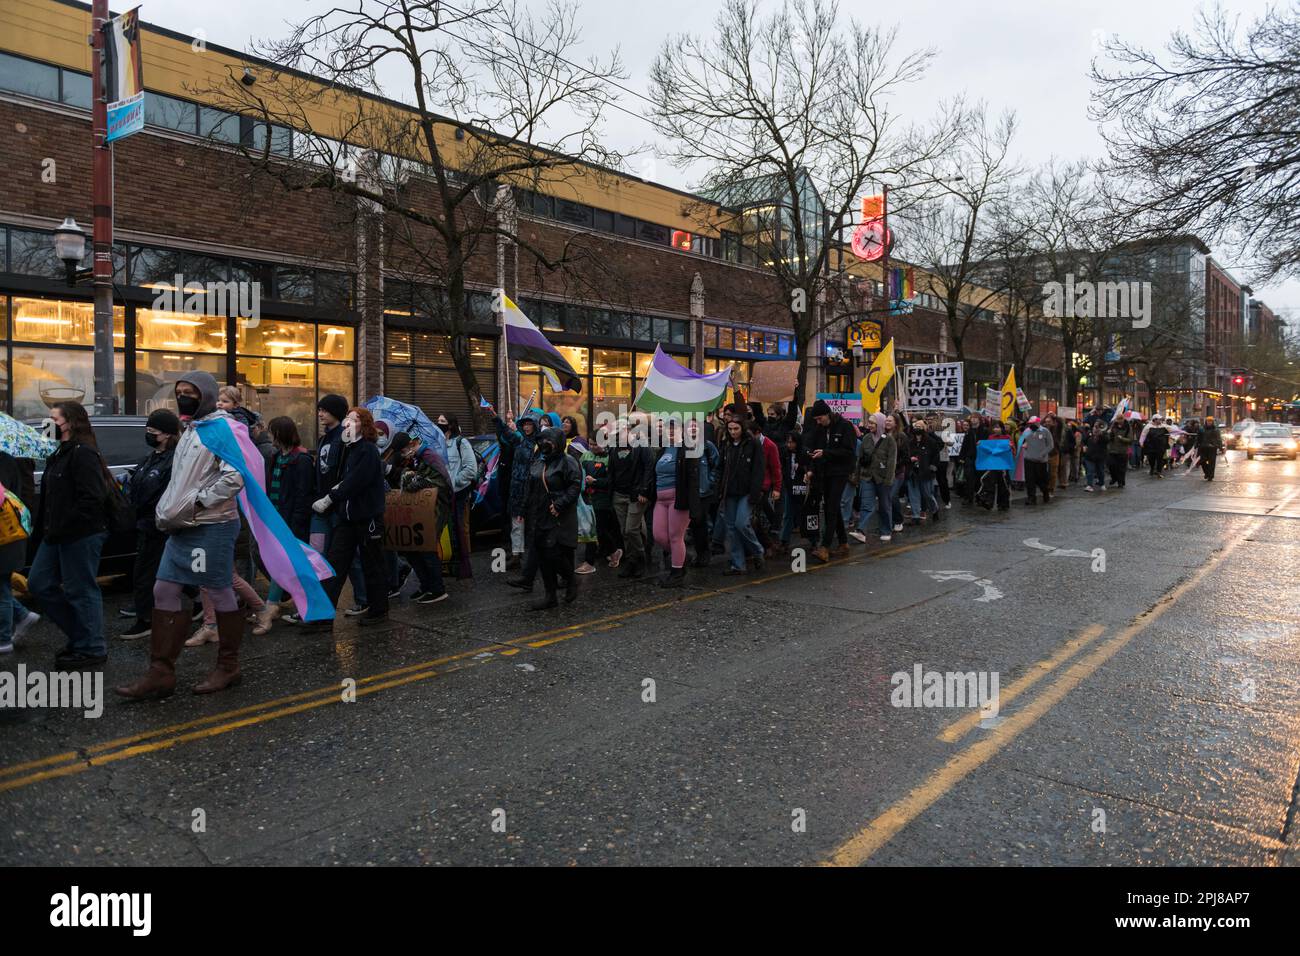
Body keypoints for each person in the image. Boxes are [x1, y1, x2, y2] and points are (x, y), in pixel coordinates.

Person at [116, 373, 246, 698]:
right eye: (180, 392)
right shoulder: (191, 429)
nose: (184, 397)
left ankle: (228, 667)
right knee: (163, 589)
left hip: (212, 525)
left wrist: (197, 502)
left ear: (207, 396)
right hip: (182, 527)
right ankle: (161, 672)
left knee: (217, 590)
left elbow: (235, 476)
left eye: (191, 392)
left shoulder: (222, 429)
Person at [29, 401, 111, 667]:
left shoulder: (82, 453)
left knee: (81, 589)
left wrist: (66, 525)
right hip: (55, 534)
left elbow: (92, 498)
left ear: (71, 423)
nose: (47, 423)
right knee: (39, 584)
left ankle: (91, 647)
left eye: (53, 418)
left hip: (80, 534)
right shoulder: (59, 452)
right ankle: (80, 636)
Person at [315, 407, 390, 626]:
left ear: (364, 426)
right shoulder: (351, 450)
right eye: (347, 418)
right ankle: (323, 617)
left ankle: (378, 611)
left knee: (373, 565)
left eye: (354, 419)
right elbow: (344, 479)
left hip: (368, 519)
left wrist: (330, 498)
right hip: (347, 519)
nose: (348, 422)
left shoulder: (367, 450)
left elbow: (356, 481)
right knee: (335, 564)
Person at [121, 410, 182, 641]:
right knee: (162, 570)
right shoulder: (152, 457)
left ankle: (145, 619)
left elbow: (165, 492)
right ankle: (196, 602)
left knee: (146, 573)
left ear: (166, 434)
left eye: (153, 432)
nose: (149, 435)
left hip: (159, 524)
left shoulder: (174, 459)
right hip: (145, 522)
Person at [256, 415, 314, 632]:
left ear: (282, 433)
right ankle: (283, 605)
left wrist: (296, 524)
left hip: (291, 523)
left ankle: (272, 607)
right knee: (283, 565)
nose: (270, 437)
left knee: (287, 565)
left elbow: (303, 495)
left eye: (273, 432)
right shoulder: (276, 457)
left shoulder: (302, 460)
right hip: (276, 519)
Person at [312, 394, 369, 615]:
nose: (320, 414)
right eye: (320, 410)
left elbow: (349, 474)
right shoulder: (324, 439)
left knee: (348, 557)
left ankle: (363, 599)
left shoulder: (345, 439)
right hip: (320, 508)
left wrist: (333, 498)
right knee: (317, 556)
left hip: (338, 506)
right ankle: (317, 604)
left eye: (324, 410)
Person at [525, 425, 582, 609]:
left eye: (548, 440)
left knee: (554, 552)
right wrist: (522, 509)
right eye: (541, 440)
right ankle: (550, 596)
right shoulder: (538, 462)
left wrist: (560, 504)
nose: (543, 444)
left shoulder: (568, 462)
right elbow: (530, 486)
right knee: (541, 555)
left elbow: (575, 486)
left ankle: (570, 579)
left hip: (558, 515)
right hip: (539, 514)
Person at [391, 434, 450, 604]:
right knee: (414, 547)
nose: (403, 454)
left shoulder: (429, 456)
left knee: (427, 547)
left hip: (436, 508)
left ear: (412, 444)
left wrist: (412, 477)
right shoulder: (416, 459)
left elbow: (437, 482)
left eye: (404, 450)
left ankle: (437, 589)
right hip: (421, 509)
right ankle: (426, 585)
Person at [645, 418, 703, 587]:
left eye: (673, 429)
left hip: (679, 500)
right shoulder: (663, 450)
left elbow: (693, 479)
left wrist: (694, 506)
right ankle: (682, 557)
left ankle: (677, 574)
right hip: (660, 500)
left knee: (675, 537)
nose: (670, 432)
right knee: (659, 536)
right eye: (667, 429)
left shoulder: (687, 449)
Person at [803, 399, 857, 562]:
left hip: (840, 472)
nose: (818, 422)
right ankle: (843, 542)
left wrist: (826, 453)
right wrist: (811, 468)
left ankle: (825, 546)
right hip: (824, 472)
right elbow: (813, 448)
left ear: (827, 414)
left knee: (832, 506)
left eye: (820, 419)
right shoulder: (820, 429)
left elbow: (848, 452)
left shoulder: (845, 426)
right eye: (816, 420)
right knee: (830, 506)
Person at [494, 407, 541, 570]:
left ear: (535, 426)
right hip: (516, 488)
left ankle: (535, 558)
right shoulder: (519, 441)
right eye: (525, 424)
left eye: (530, 424)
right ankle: (516, 554)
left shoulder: (539, 445)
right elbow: (506, 434)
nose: (527, 427)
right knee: (516, 523)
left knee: (532, 526)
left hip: (532, 490)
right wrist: (497, 419)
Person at [718, 417, 766, 574]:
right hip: (730, 492)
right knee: (731, 529)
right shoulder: (726, 444)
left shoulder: (753, 444)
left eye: (736, 429)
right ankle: (738, 564)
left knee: (741, 523)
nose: (733, 432)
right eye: (730, 429)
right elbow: (721, 468)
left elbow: (758, 470)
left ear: (742, 429)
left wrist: (755, 492)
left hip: (747, 492)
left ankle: (757, 550)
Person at [610, 419, 654, 579]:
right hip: (618, 494)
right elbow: (613, 471)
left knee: (631, 529)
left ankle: (641, 558)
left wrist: (644, 491)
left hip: (636, 495)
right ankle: (631, 561)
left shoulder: (642, 447)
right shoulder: (614, 448)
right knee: (625, 531)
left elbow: (649, 469)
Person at [437, 413, 477, 579]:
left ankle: (460, 566)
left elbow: (470, 469)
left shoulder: (462, 443)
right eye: (438, 421)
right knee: (444, 530)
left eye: (442, 422)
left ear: (451, 425)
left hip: (457, 495)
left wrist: (454, 483)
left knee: (457, 528)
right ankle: (447, 564)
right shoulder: (438, 443)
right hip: (441, 494)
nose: (439, 424)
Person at [850, 412, 896, 542]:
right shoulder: (866, 439)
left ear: (879, 424)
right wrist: (857, 476)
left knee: (884, 506)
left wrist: (889, 479)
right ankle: (861, 531)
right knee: (866, 505)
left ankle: (886, 530)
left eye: (872, 423)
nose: (869, 425)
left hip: (883, 478)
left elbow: (892, 461)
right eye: (868, 422)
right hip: (867, 477)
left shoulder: (889, 440)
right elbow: (860, 459)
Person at [908, 419, 944, 521]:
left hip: (926, 472)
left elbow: (936, 455)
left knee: (927, 494)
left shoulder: (931, 441)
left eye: (920, 426)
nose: (917, 428)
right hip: (913, 472)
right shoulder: (910, 442)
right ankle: (915, 516)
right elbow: (906, 454)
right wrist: (910, 459)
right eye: (916, 426)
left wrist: (932, 467)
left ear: (924, 428)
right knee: (913, 495)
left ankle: (934, 509)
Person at [1020, 417, 1054, 505]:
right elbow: (1023, 441)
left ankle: (1045, 493)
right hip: (1029, 459)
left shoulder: (1045, 431)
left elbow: (1050, 445)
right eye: (1030, 424)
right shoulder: (1027, 431)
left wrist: (1043, 454)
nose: (1031, 425)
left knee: (1041, 480)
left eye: (1033, 423)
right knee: (1029, 479)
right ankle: (1031, 498)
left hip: (1040, 461)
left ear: (1038, 423)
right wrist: (1024, 445)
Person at [1106, 419, 1133, 488]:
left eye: (1121, 421)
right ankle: (1114, 478)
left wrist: (1122, 438)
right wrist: (1108, 433)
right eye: (1118, 421)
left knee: (1121, 468)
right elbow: (1107, 438)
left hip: (1122, 451)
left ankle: (1120, 482)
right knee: (1111, 465)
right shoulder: (1112, 427)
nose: (1119, 423)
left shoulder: (1127, 428)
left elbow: (1130, 440)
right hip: (1112, 450)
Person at [1082, 421, 1109, 492]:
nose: (1096, 428)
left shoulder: (1104, 434)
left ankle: (1102, 484)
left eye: (1098, 427)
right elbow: (1084, 440)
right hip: (1090, 456)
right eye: (1095, 426)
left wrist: (1101, 434)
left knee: (1100, 471)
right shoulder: (1089, 434)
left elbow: (1107, 440)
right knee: (1090, 471)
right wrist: (1084, 446)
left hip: (1100, 456)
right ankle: (1089, 485)